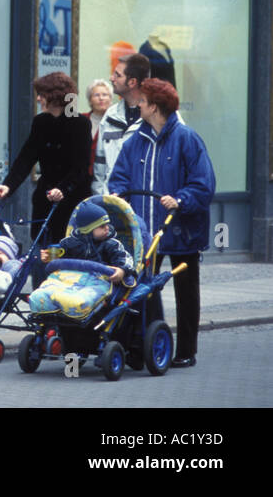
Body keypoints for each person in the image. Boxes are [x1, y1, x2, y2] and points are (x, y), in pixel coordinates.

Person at [108, 78, 215, 369]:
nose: (137, 104)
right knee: (142, 286)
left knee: (186, 289)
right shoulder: (135, 141)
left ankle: (186, 350)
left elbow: (203, 184)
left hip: (180, 227)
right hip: (145, 230)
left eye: (142, 101)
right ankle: (147, 343)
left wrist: (180, 199)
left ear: (154, 106)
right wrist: (117, 195)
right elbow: (118, 176)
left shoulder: (186, 138)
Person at [0, 72, 92, 280]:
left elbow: (81, 167)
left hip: (71, 201)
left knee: (65, 252)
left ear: (54, 96)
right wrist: (8, 186)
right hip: (45, 199)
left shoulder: (80, 124)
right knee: (40, 254)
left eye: (41, 94)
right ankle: (41, 300)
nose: (38, 99)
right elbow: (26, 158)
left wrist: (63, 189)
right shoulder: (40, 122)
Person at [93, 52, 150, 191]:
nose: (111, 78)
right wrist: (102, 197)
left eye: (117, 75)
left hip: (144, 203)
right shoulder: (110, 115)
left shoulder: (159, 115)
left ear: (132, 82)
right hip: (112, 203)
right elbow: (99, 168)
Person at [39, 201, 133, 285]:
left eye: (107, 224)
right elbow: (59, 259)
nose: (107, 228)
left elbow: (125, 258)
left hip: (101, 281)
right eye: (102, 226)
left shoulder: (112, 244)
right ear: (88, 230)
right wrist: (48, 257)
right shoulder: (68, 243)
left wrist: (122, 270)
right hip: (73, 281)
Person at [84, 78, 113, 194]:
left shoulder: (116, 122)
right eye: (96, 95)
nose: (101, 98)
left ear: (111, 99)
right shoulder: (82, 120)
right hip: (83, 179)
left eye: (105, 95)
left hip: (106, 179)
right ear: (90, 100)